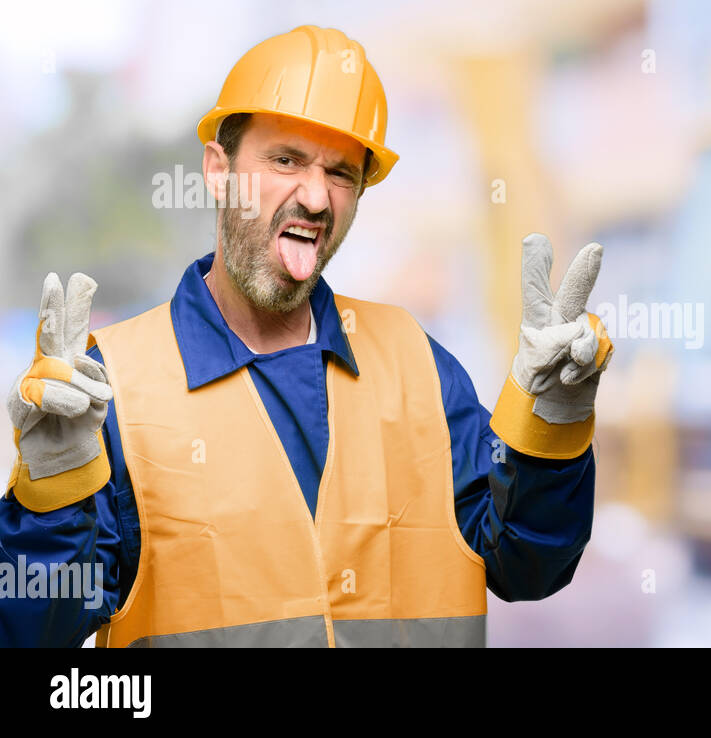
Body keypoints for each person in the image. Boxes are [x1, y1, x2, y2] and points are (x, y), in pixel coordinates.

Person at [0, 25, 612, 648]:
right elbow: (30, 631)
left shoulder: (416, 363)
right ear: (218, 170)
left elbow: (527, 566)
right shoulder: (115, 387)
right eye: (286, 159)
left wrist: (551, 425)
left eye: (342, 173)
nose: (316, 198)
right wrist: (51, 496)